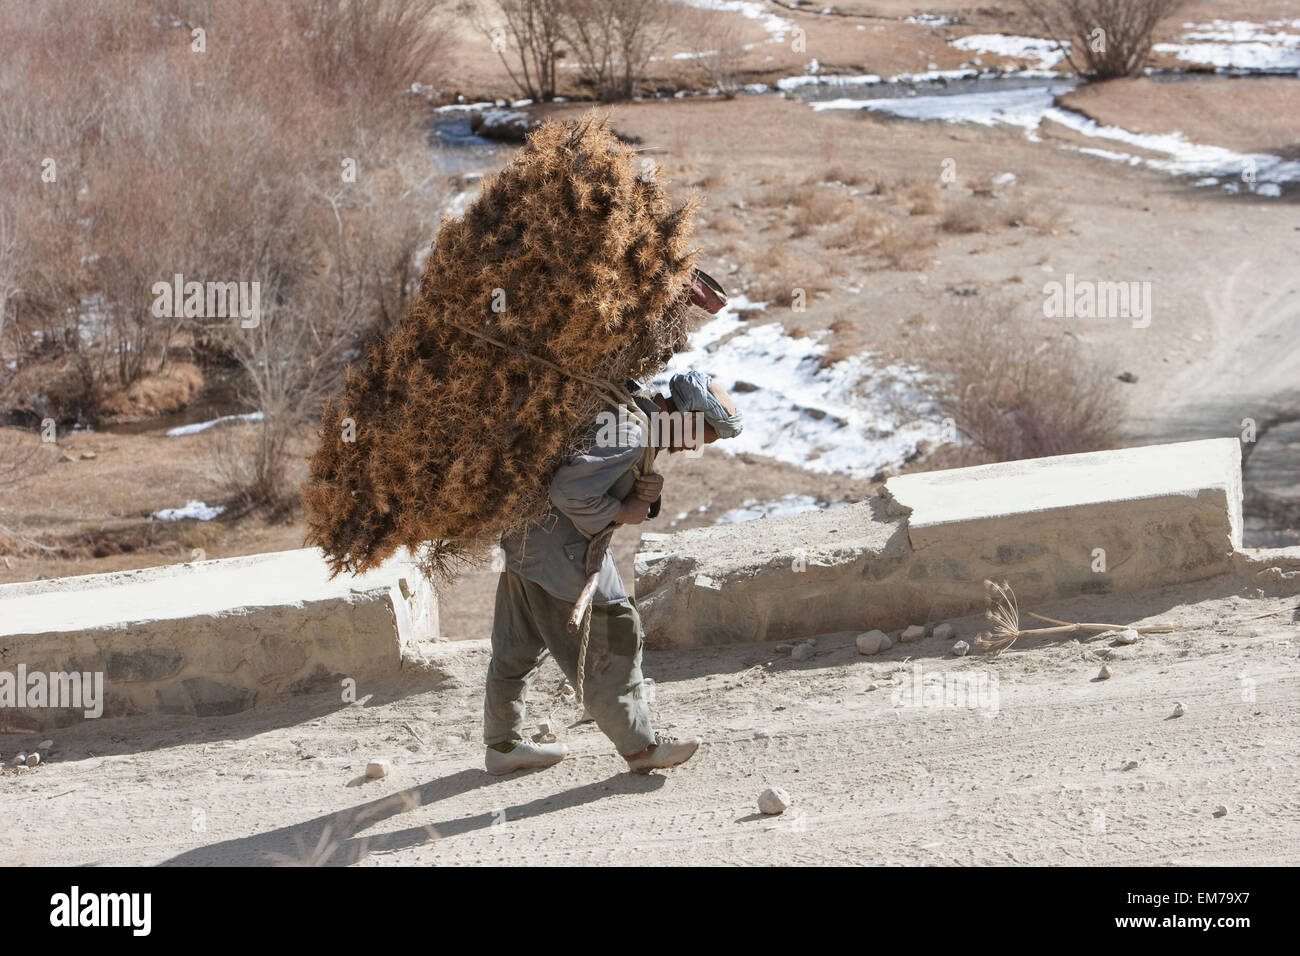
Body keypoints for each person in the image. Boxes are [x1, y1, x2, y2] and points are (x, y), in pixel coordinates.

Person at [483, 371, 742, 774]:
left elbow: (592, 476)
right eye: (699, 436)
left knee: (518, 642)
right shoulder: (630, 432)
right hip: (559, 551)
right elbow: (568, 491)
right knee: (617, 629)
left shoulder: (632, 415)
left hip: (526, 541)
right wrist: (623, 511)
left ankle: (502, 744)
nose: (694, 446)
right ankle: (641, 749)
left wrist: (644, 496)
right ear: (684, 417)